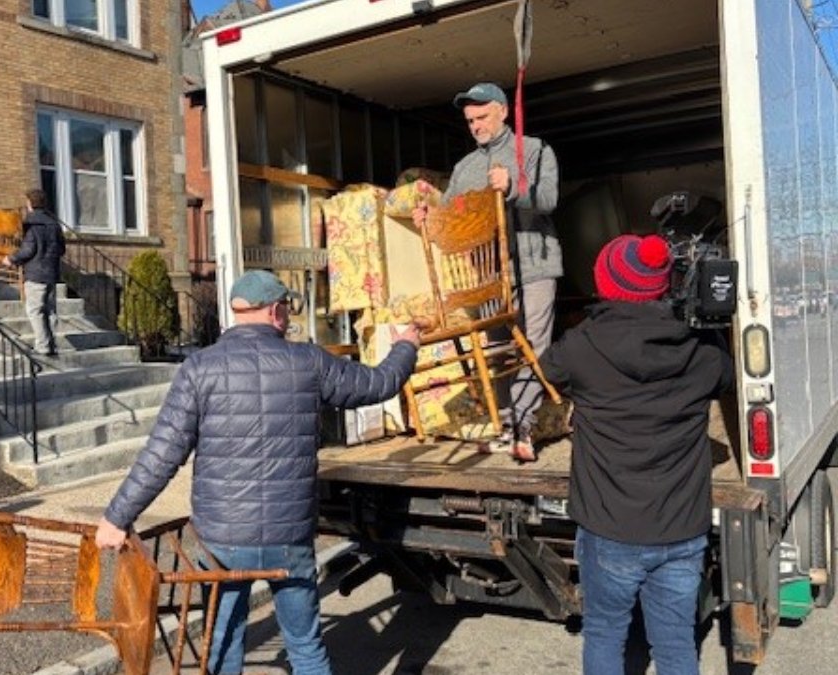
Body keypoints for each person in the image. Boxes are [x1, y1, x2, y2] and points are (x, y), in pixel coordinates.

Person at [95, 270, 420, 675]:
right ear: (274, 310)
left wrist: (116, 517)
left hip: (222, 541)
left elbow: (162, 453)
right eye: (284, 308)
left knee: (224, 641)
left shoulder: (200, 368)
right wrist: (406, 346)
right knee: (305, 645)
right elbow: (379, 383)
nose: (286, 317)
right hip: (290, 537)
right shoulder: (308, 362)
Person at [538, 234, 733, 675]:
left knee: (606, 634)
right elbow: (725, 376)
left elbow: (548, 368)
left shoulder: (583, 347)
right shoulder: (702, 350)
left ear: (605, 285)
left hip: (610, 530)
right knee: (677, 645)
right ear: (665, 285)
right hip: (682, 528)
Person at [437, 81, 562, 460]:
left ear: (504, 111)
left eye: (482, 117)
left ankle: (522, 427)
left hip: (536, 264)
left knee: (533, 345)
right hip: (489, 276)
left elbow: (549, 199)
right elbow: (448, 219)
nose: (475, 126)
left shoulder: (535, 150)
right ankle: (507, 423)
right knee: (497, 351)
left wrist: (512, 188)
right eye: (470, 121)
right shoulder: (465, 168)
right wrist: (433, 217)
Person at [3, 188, 65, 357]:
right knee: (50, 310)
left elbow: (28, 249)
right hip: (52, 273)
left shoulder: (31, 224)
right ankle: (51, 344)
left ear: (30, 203)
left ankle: (43, 346)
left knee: (35, 310)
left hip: (36, 273)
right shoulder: (54, 224)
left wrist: (11, 259)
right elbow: (61, 248)